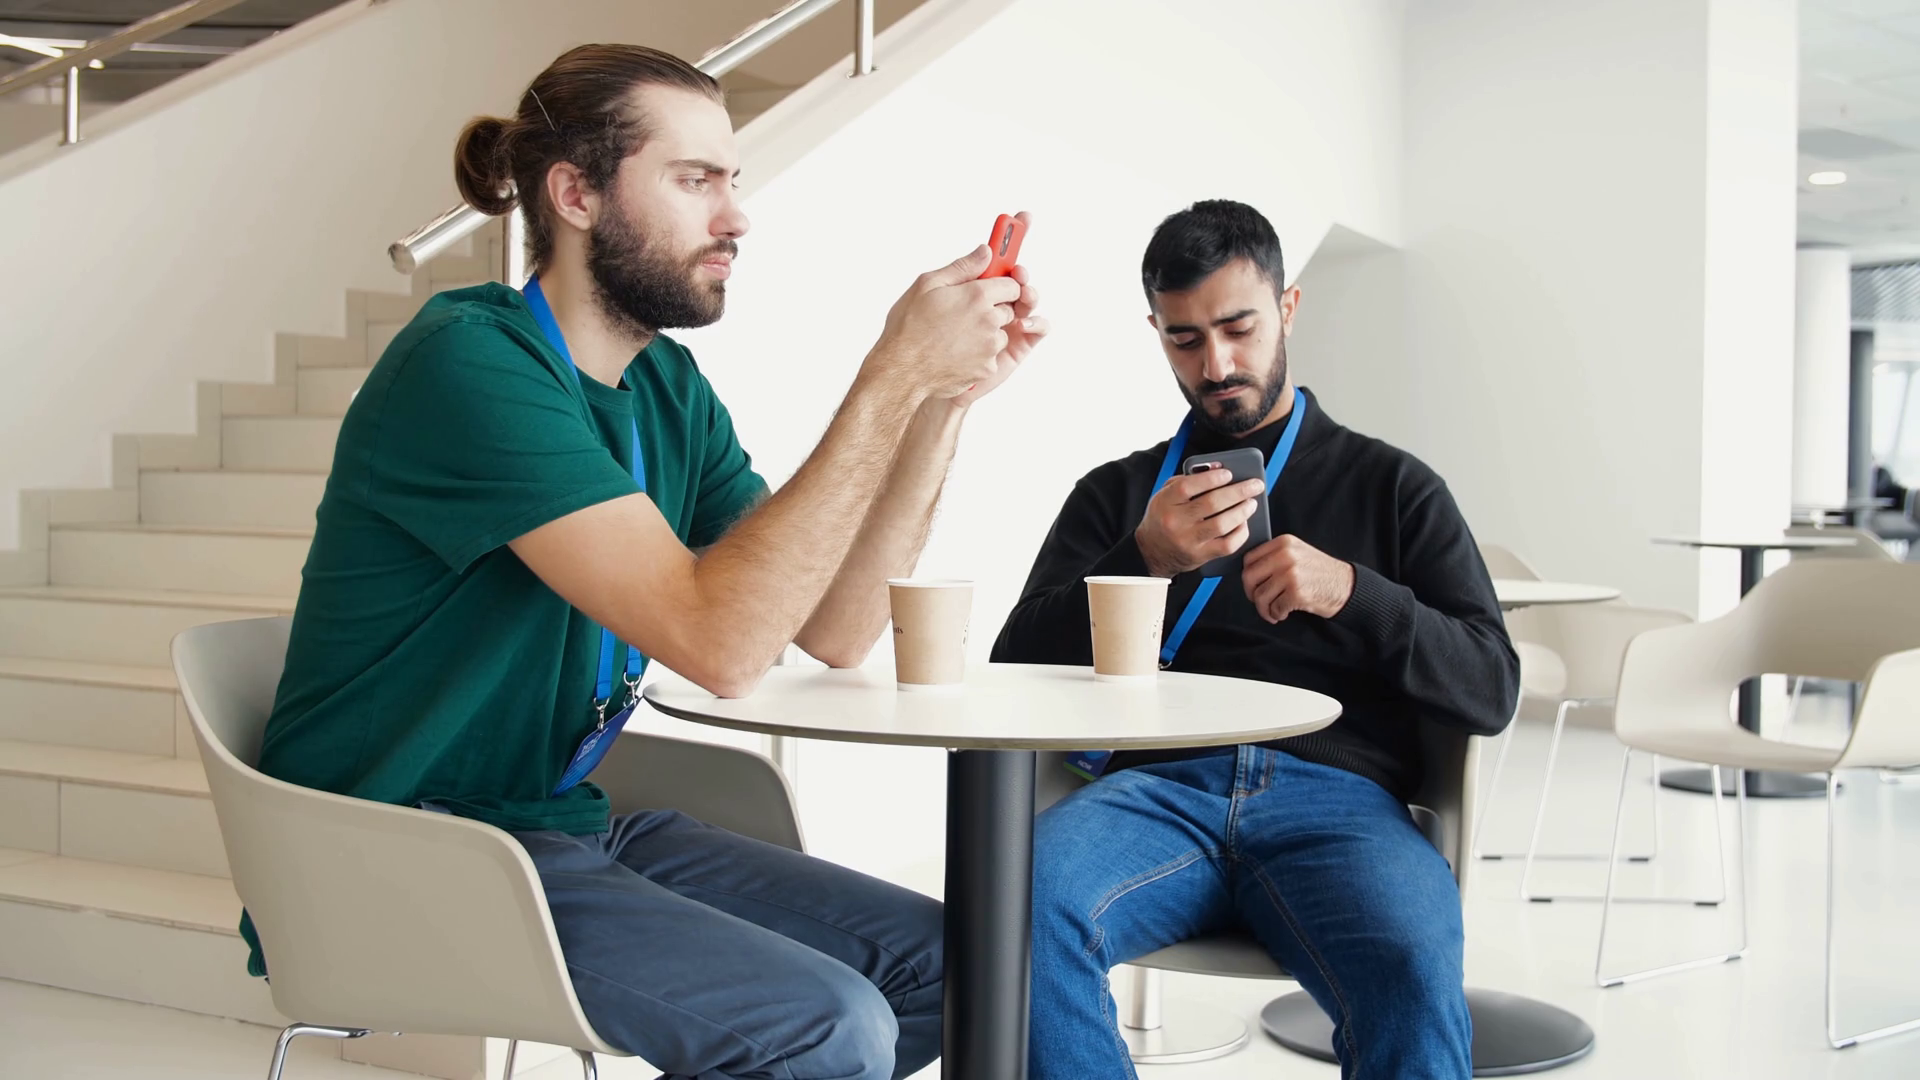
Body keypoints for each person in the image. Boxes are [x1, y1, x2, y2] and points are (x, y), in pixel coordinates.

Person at [253, 44, 1047, 1080]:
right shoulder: (468, 364)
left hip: (559, 828)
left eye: (733, 180)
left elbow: (836, 626)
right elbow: (723, 645)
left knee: (971, 964)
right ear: (575, 194)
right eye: (695, 180)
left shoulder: (668, 388)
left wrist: (940, 402)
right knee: (829, 1026)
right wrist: (890, 373)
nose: (736, 216)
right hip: (405, 857)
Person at [992, 200, 1516, 1080]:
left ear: (1289, 309)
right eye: (1184, 339)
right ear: (1155, 333)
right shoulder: (1118, 495)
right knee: (1012, 909)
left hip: (1340, 802)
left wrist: (1356, 594)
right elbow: (1014, 671)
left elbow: (1491, 687)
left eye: (1238, 327)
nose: (1218, 364)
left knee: (1413, 967)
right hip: (1153, 792)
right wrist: (1144, 558)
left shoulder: (1395, 487)